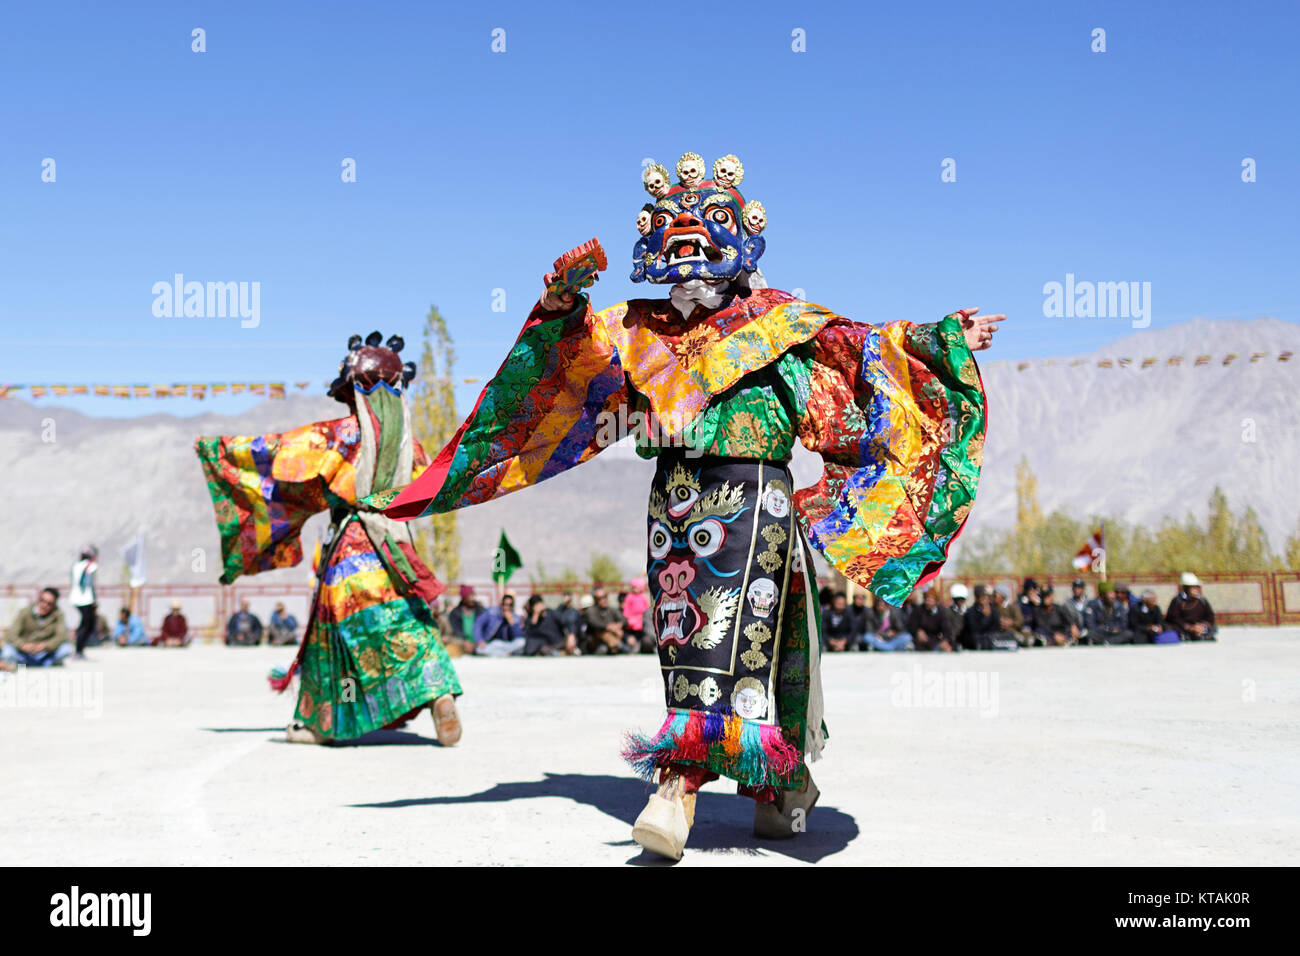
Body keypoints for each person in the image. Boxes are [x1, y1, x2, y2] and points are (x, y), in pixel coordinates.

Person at [376, 152, 1001, 860]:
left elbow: (863, 352)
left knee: (727, 643)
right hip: (673, 497)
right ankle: (778, 783)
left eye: (705, 230)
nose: (687, 245)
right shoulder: (636, 328)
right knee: (684, 638)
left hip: (753, 497)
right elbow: (570, 366)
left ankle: (678, 788)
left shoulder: (778, 321)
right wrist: (561, 304)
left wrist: (941, 340)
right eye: (672, 232)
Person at [195, 331, 463, 746]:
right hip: (396, 547)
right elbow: (429, 488)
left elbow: (280, 455)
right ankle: (438, 693)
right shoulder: (413, 447)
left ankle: (323, 725)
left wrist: (222, 451)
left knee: (337, 634)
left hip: (354, 548)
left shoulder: (342, 435)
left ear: (356, 388)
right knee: (408, 619)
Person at [2, 588, 72, 670]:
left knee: (66, 649)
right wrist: (22, 645)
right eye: (42, 600)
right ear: (38, 599)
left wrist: (45, 646)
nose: (44, 605)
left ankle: (51, 663)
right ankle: (18, 665)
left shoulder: (58, 615)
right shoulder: (25, 612)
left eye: (49, 603)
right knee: (8, 651)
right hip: (25, 653)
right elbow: (11, 634)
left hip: (45, 653)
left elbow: (62, 636)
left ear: (54, 605)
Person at [1166, 572, 1217, 641]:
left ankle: (1201, 634)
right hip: (1184, 627)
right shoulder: (1177, 601)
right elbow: (1174, 618)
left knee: (1213, 628)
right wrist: (1189, 627)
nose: (1196, 589)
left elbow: (1210, 616)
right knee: (1173, 628)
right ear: (1186, 588)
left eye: (1197, 587)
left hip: (1200, 626)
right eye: (1193, 587)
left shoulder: (1202, 600)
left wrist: (1202, 626)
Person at [69, 546, 98, 661]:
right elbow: (89, 583)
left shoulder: (76, 566)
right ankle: (79, 650)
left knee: (84, 624)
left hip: (76, 598)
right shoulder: (90, 566)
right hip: (86, 599)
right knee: (86, 625)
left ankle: (79, 648)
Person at [583, 587, 630, 655]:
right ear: (595, 599)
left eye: (605, 597)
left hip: (613, 638)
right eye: (599, 598)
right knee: (603, 634)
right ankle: (619, 646)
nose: (603, 600)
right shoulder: (591, 610)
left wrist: (618, 626)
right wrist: (609, 627)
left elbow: (624, 620)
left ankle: (616, 646)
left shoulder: (611, 609)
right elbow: (595, 624)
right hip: (595, 642)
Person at [446, 585, 483, 656]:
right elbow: (455, 630)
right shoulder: (455, 613)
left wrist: (479, 640)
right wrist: (465, 641)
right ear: (463, 597)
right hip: (461, 643)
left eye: (473, 596)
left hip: (478, 644)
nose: (472, 598)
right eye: (470, 596)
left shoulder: (480, 611)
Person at [964, 585, 1001, 651]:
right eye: (983, 597)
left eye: (987, 597)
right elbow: (974, 630)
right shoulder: (971, 612)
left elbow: (997, 628)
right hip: (977, 644)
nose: (986, 599)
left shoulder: (994, 611)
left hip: (992, 642)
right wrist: (986, 617)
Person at [623, 578, 652, 653]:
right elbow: (627, 608)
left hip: (641, 619)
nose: (634, 589)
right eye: (633, 587)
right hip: (632, 620)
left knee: (642, 634)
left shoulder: (643, 597)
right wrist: (627, 617)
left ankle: (639, 646)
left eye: (636, 587)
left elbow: (647, 608)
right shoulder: (629, 597)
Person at [1062, 579, 1091, 644]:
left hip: (1087, 631)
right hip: (1072, 632)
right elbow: (1066, 619)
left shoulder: (1089, 603)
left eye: (1079, 588)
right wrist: (1072, 626)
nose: (1076, 590)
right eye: (1075, 587)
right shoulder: (1067, 604)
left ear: (1083, 589)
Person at [947, 583, 970, 649]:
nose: (959, 601)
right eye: (957, 599)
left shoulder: (969, 612)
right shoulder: (948, 612)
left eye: (962, 599)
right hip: (953, 642)